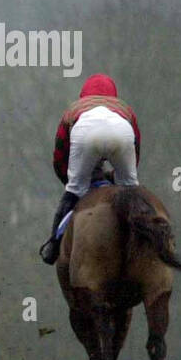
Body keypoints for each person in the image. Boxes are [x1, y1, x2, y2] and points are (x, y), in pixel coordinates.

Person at [39, 73, 140, 265]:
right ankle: (151, 239)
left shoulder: (74, 109)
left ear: (84, 94)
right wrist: (121, 179)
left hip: (86, 132)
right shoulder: (124, 109)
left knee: (74, 189)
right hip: (122, 131)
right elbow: (136, 150)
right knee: (132, 190)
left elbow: (60, 157)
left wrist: (74, 185)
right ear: (113, 95)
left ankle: (53, 245)